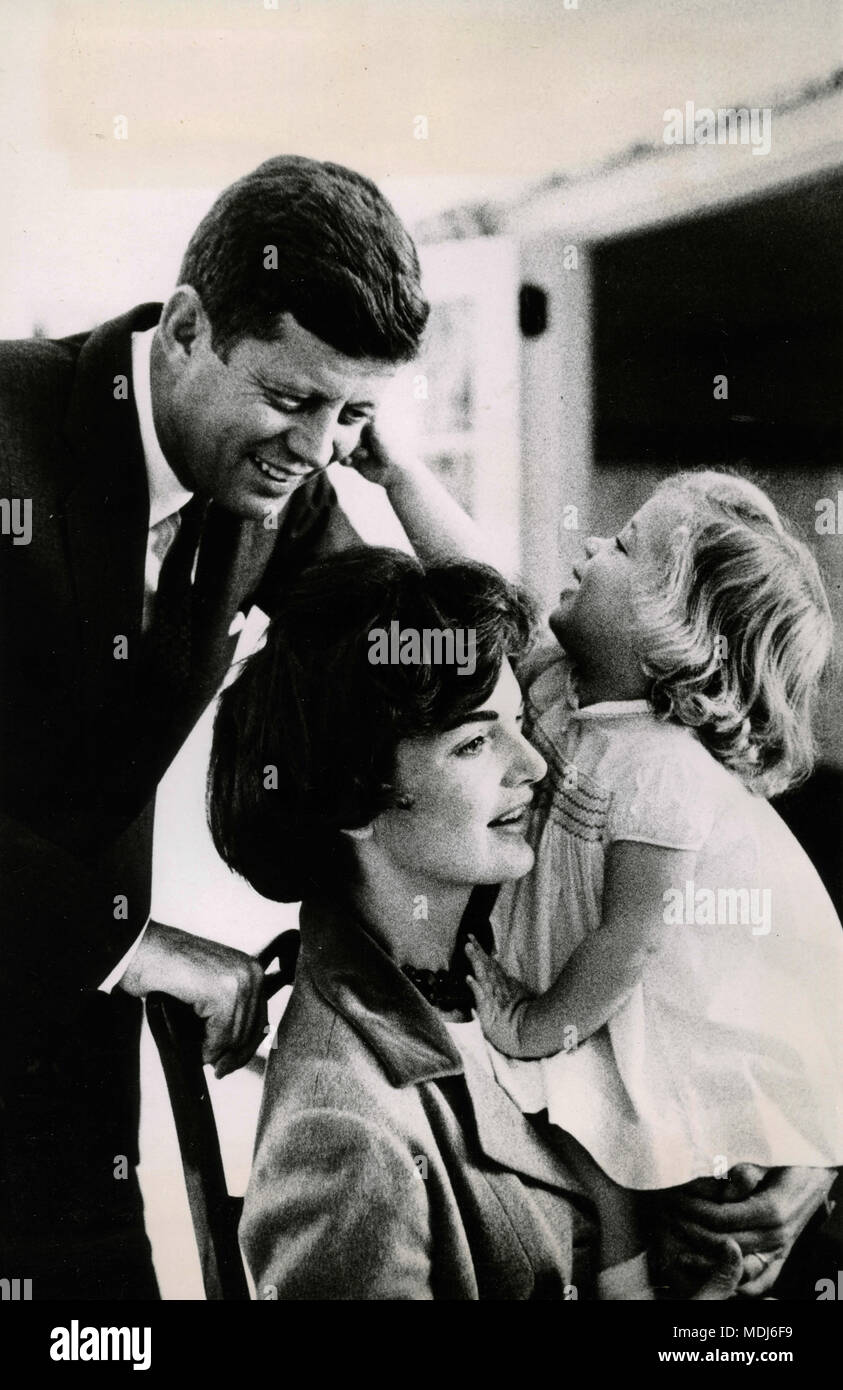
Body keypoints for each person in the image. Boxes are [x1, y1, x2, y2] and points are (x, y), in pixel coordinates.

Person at [0, 155, 490, 1299]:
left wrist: (401, 471)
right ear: (184, 328)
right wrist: (141, 946)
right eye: (292, 397)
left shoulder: (282, 482)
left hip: (68, 1067)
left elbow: (444, 657)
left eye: (351, 411)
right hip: (103, 963)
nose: (318, 447)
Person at [207, 545, 814, 1300]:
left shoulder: (531, 936)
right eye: (473, 743)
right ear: (353, 795)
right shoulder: (343, 1126)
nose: (532, 765)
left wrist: (809, 1163)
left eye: (520, 722)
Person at [466, 469, 843, 1297]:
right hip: (612, 1001)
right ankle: (656, 1282)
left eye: (624, 545)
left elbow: (627, 940)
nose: (592, 543)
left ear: (669, 637)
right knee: (596, 1134)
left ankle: (680, 1292)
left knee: (687, 1169)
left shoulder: (664, 771)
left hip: (692, 1016)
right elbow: (468, 576)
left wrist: (534, 1025)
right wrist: (398, 478)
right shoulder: (564, 685)